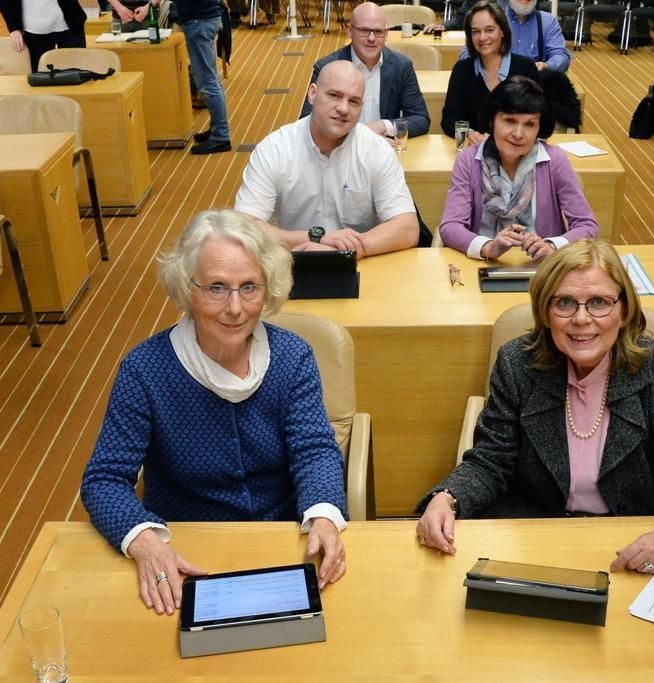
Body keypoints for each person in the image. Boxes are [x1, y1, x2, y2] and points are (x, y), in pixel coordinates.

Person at [414, 239, 654, 574]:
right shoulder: (517, 365)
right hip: (534, 537)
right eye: (565, 303)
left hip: (630, 543)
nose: (582, 319)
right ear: (545, 311)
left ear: (624, 310)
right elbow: (491, 462)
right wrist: (448, 497)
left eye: (599, 302)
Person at [81, 210, 349, 616]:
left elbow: (315, 451)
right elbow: (104, 479)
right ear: (187, 289)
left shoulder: (293, 358)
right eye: (216, 288)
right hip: (186, 551)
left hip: (285, 542)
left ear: (268, 288)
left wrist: (325, 517)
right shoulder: (144, 369)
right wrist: (146, 543)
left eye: (249, 287)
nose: (235, 308)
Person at [235, 61, 419, 257]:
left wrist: (344, 249)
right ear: (312, 93)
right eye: (334, 95)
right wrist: (314, 239)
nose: (343, 108)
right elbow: (243, 227)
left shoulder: (377, 150)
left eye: (354, 101)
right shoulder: (274, 149)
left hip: (359, 265)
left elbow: (407, 228)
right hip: (291, 264)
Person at [440, 76, 597, 261]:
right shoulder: (468, 160)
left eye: (529, 124)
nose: (518, 134)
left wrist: (552, 247)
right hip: (483, 264)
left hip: (543, 267)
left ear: (539, 128)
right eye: (509, 121)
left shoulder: (555, 160)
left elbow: (587, 226)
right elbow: (450, 226)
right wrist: (488, 247)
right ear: (492, 120)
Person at [300, 2, 430, 140]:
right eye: (364, 31)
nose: (371, 38)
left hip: (384, 150)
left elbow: (420, 119)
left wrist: (383, 126)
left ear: (386, 34)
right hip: (338, 153)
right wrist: (361, 140)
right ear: (350, 31)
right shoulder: (327, 66)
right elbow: (307, 120)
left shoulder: (401, 66)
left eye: (378, 32)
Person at [441, 0, 540, 144]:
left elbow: (539, 117)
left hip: (517, 149)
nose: (482, 38)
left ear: (502, 32)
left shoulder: (525, 67)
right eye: (475, 32)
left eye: (489, 30)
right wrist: (470, 134)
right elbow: (449, 120)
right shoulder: (462, 70)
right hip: (475, 152)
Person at [175, 0, 232, 154]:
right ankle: (217, 128)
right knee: (211, 79)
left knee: (208, 82)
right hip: (205, 18)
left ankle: (221, 136)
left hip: (198, 21)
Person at [0, 0, 86, 72]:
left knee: (77, 73)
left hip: (70, 23)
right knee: (41, 79)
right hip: (34, 28)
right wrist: (13, 28)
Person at [497, 0, 570, 72]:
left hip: (535, 81)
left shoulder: (548, 21)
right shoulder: (495, 20)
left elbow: (561, 56)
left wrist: (547, 66)